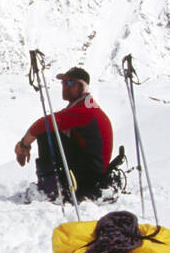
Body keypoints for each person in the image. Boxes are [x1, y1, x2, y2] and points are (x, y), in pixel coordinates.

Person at [15, 66, 113, 202]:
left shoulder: (85, 109)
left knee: (47, 133)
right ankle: (53, 184)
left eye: (71, 83)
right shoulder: (84, 105)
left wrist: (23, 144)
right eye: (64, 83)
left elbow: (45, 124)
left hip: (91, 174)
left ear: (83, 87)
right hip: (91, 168)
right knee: (50, 130)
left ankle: (49, 190)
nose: (65, 86)